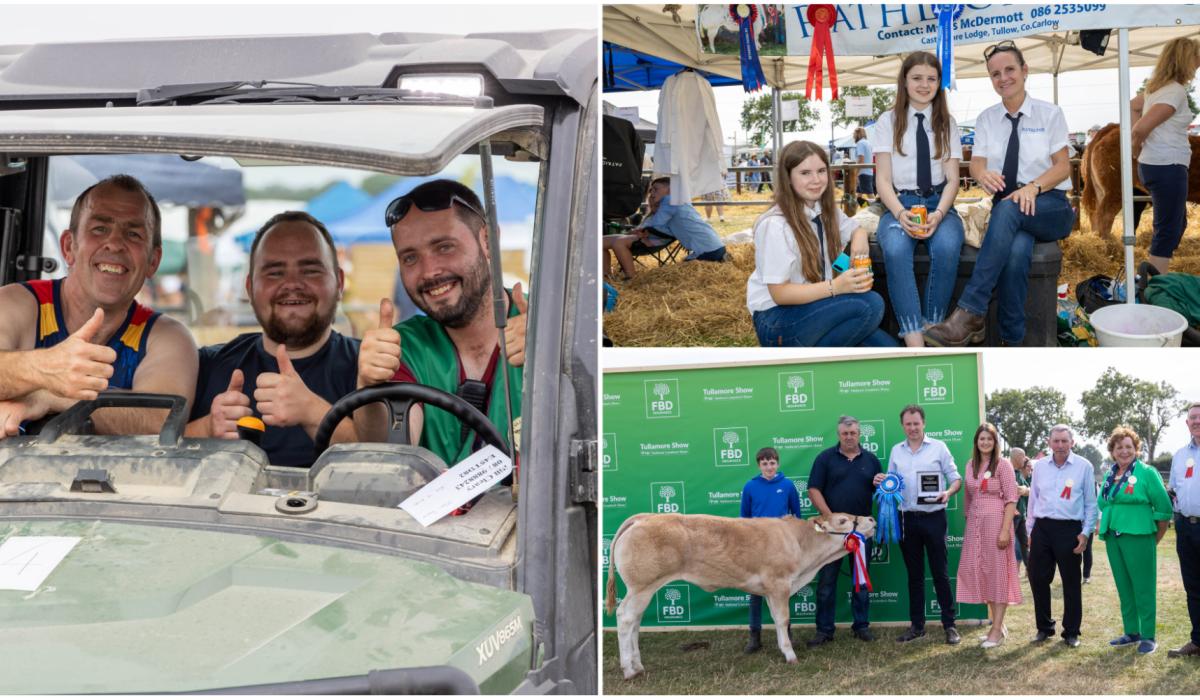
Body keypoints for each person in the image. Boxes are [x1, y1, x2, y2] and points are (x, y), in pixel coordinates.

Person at [0, 175, 197, 437]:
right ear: (69, 247)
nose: (115, 244)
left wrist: (48, 396)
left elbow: (162, 421)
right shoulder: (19, 303)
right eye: (100, 229)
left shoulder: (168, 337)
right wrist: (47, 366)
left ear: (153, 261)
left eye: (133, 234)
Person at [355, 179, 527, 468]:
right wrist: (368, 388)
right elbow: (387, 453)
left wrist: (556, 358)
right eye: (410, 258)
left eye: (445, 247)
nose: (429, 271)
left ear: (488, 241)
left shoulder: (547, 326)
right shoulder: (405, 347)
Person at [925, 41, 1074, 347]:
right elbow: (977, 163)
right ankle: (1012, 340)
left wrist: (1033, 187)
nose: (1003, 78)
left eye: (1009, 69)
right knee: (1017, 252)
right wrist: (981, 174)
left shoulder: (1050, 113)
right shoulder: (986, 118)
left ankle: (970, 310)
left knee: (1007, 210)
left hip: (1049, 204)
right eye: (995, 74)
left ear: (1025, 71)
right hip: (1010, 210)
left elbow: (1063, 168)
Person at [184, 211, 359, 466]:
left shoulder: (369, 370)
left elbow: (389, 463)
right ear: (249, 289)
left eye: (310, 270)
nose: (292, 284)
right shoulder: (206, 366)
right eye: (274, 273)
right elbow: (154, 450)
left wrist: (313, 412)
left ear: (339, 283)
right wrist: (207, 429)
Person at [746, 140, 897, 347]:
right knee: (870, 306)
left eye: (821, 171)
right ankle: (803, 360)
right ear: (788, 178)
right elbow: (779, 293)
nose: (816, 180)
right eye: (805, 173)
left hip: (817, 307)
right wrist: (836, 287)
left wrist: (860, 238)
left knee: (889, 351)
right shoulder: (776, 225)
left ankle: (821, 360)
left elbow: (854, 227)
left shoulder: (824, 210)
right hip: (778, 320)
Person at [871, 52, 966, 348]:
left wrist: (939, 213)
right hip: (900, 203)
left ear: (939, 83)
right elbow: (883, 180)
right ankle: (914, 340)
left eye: (931, 79)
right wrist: (899, 214)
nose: (924, 85)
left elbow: (953, 179)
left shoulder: (947, 122)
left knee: (949, 246)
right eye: (917, 78)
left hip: (939, 202)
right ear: (904, 81)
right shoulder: (888, 121)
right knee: (896, 250)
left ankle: (932, 326)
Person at [876, 404, 962, 644]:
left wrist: (948, 492)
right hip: (906, 519)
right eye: (908, 424)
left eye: (916, 423)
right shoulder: (896, 451)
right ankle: (917, 626)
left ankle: (950, 625)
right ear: (903, 426)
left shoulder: (939, 448)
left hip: (934, 517)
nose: (912, 428)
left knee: (940, 573)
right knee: (914, 575)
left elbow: (956, 479)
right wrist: (882, 480)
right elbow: (890, 482)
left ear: (924, 423)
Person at [807, 416, 883, 646]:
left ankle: (861, 626)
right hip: (832, 533)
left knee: (860, 581)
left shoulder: (871, 460)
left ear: (859, 434)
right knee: (826, 582)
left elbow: (879, 493)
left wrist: (881, 484)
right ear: (839, 435)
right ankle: (824, 630)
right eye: (845, 434)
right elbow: (813, 489)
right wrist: (830, 518)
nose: (849, 437)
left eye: (853, 433)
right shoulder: (825, 458)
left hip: (860, 533)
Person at [1097, 425, 1172, 654]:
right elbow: (1103, 503)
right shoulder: (1110, 475)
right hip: (1114, 537)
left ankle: (1148, 636)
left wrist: (1153, 539)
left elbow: (1164, 508)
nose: (1124, 451)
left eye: (1129, 447)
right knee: (1124, 587)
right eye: (1119, 447)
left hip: (1139, 536)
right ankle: (1132, 632)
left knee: (1143, 587)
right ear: (1112, 451)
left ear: (1136, 449)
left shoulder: (1147, 472)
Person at [1131, 37, 1200, 274]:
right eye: (1196, 59)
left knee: (1176, 223)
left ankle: (1153, 273)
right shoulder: (1175, 91)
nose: (1198, 65)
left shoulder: (1156, 88)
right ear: (1185, 61)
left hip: (1160, 164)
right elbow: (1139, 129)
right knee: (1169, 227)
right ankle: (1152, 283)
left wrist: (1141, 150)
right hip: (1167, 165)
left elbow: (1133, 105)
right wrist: (1136, 148)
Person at [1026, 425, 1097, 648]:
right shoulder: (1040, 467)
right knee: (1037, 579)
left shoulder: (1084, 467)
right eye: (1056, 441)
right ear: (1049, 442)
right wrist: (1030, 532)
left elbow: (1090, 504)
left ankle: (1072, 631)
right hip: (1042, 528)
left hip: (1069, 529)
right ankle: (1044, 627)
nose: (1060, 445)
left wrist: (1085, 533)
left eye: (1064, 441)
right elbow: (1033, 501)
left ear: (1072, 442)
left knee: (1071, 582)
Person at [956, 423, 1022, 648]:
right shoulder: (970, 465)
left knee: (998, 575)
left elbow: (1012, 498)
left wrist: (1005, 530)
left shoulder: (1003, 465)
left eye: (990, 439)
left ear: (995, 443)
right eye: (981, 439)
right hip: (976, 526)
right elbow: (968, 496)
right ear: (976, 442)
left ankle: (996, 630)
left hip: (997, 524)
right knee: (984, 574)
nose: (985, 443)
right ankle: (998, 625)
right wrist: (971, 522)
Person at [740, 446, 803, 654]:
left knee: (783, 591)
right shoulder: (750, 486)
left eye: (772, 463)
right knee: (755, 592)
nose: (769, 467)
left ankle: (787, 633)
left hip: (781, 548)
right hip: (757, 548)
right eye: (765, 463)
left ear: (778, 463)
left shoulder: (787, 485)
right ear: (759, 465)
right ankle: (754, 636)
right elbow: (744, 520)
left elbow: (797, 516)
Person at [606, 177, 727, 279]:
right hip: (714, 246)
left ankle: (629, 278)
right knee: (601, 242)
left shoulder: (670, 201)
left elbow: (656, 223)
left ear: (669, 189)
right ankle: (606, 276)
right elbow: (656, 223)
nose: (652, 193)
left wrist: (640, 230)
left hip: (707, 250)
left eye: (656, 189)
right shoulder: (676, 201)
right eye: (651, 190)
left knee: (680, 274)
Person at [1169, 402, 1200, 658]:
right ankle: (1198, 641)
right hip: (1185, 527)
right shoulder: (1180, 455)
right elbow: (1174, 490)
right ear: (1187, 423)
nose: (1197, 421)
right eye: (1192, 418)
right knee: (1193, 586)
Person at [1012, 447, 1032, 575]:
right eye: (1023, 456)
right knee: (1009, 545)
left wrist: (1024, 489)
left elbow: (1028, 490)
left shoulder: (1019, 473)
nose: (1025, 459)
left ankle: (1030, 571)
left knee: (1025, 545)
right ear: (1016, 457)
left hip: (1021, 516)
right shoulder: (1007, 471)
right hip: (1011, 516)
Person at [853, 126, 875, 202]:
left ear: (858, 134)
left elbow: (861, 160)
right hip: (868, 172)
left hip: (863, 173)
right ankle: (856, 211)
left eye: (854, 134)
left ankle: (876, 211)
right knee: (858, 196)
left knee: (870, 194)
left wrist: (855, 174)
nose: (853, 136)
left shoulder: (860, 143)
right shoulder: (868, 143)